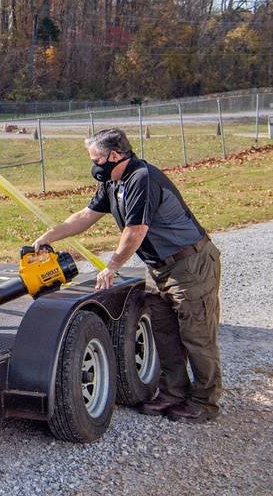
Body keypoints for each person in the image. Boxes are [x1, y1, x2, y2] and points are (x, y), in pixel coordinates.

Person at [32, 128, 222, 423]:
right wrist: (48, 237)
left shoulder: (141, 179)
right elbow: (84, 216)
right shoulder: (112, 182)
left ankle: (204, 402)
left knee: (196, 335)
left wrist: (112, 266)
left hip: (190, 264)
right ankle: (172, 393)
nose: (94, 164)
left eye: (96, 158)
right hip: (159, 266)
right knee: (165, 333)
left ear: (114, 155)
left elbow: (135, 231)